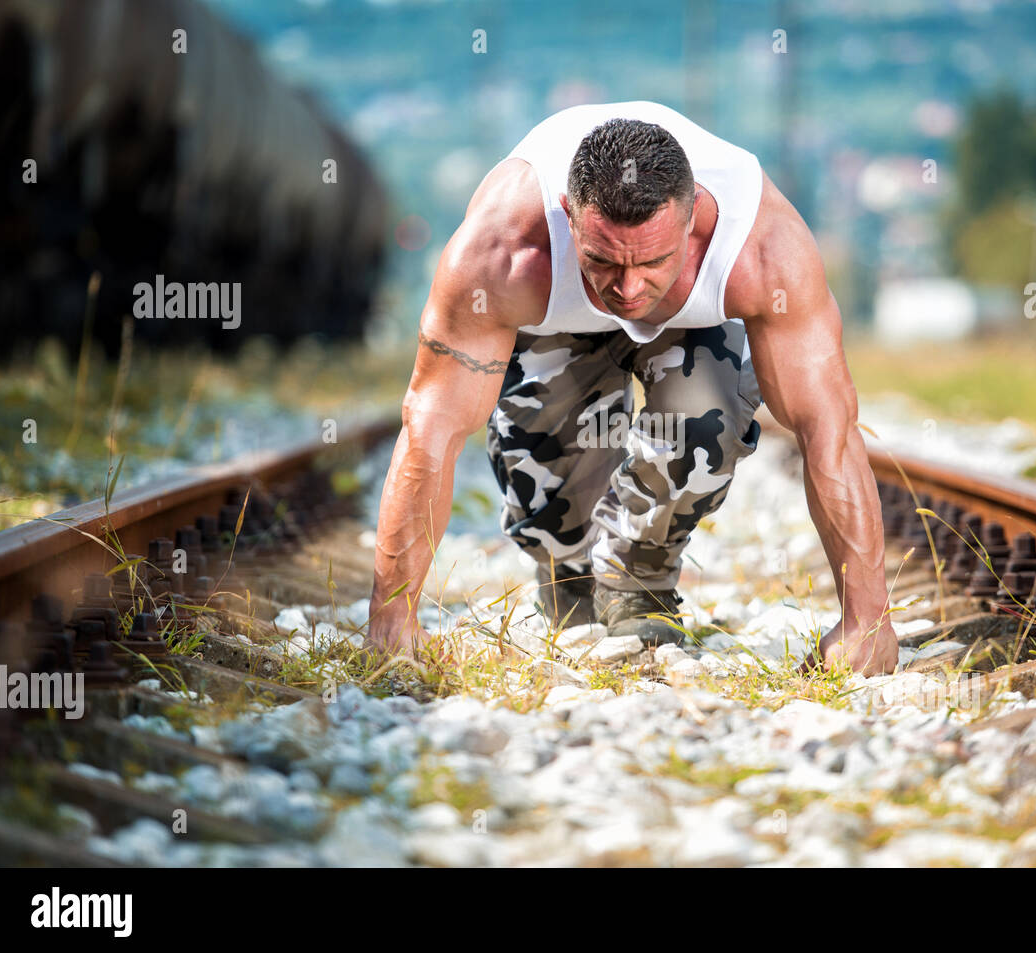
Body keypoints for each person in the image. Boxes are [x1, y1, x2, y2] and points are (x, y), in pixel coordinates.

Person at [367, 100, 898, 675]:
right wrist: (392, 619)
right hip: (552, 326)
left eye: (652, 261)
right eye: (602, 261)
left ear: (691, 215)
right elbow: (430, 430)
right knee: (545, 464)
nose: (627, 289)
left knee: (705, 420)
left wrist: (866, 622)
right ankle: (568, 573)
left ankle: (637, 578)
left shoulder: (763, 249)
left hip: (688, 326)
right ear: (567, 214)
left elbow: (830, 433)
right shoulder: (502, 254)